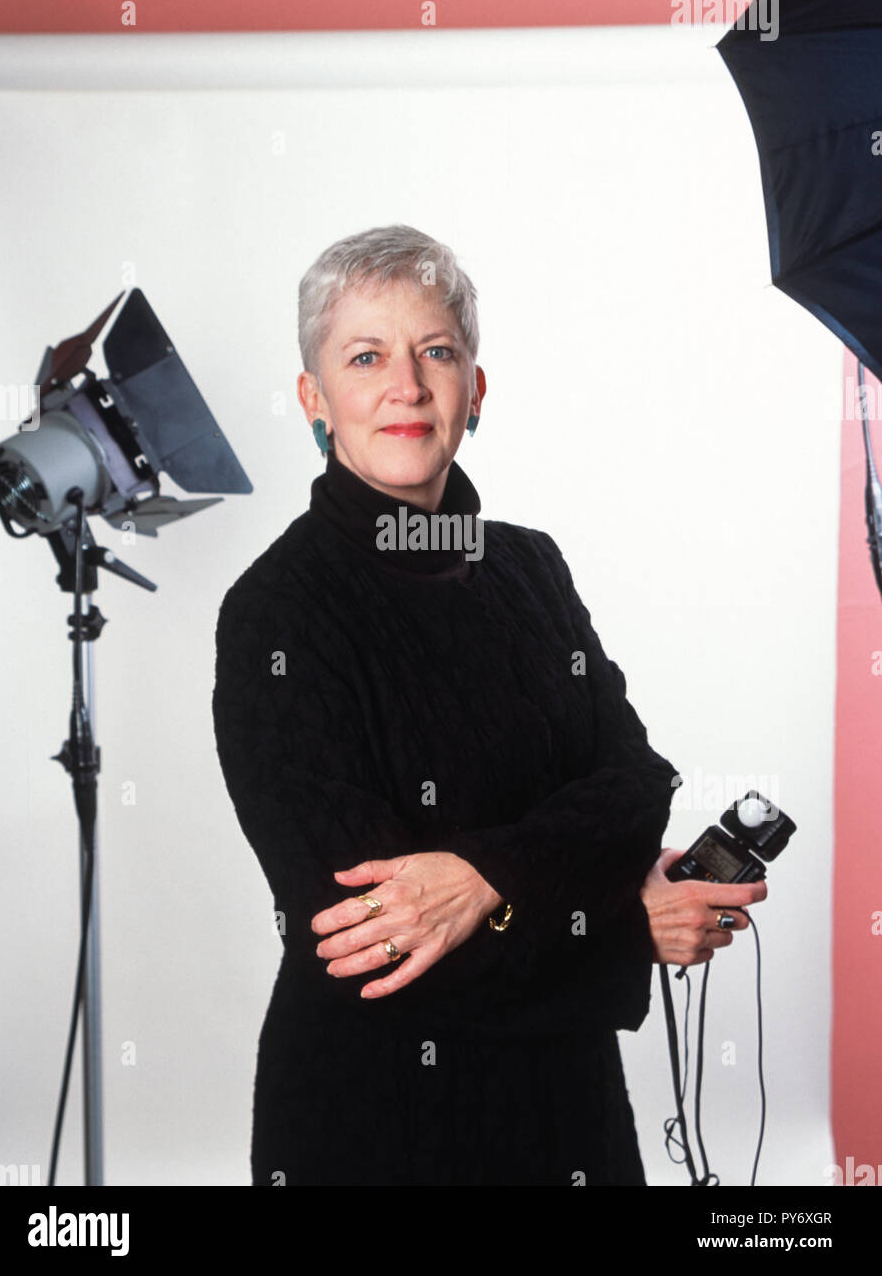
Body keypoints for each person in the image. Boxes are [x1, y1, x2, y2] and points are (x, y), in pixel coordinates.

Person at [211, 224, 767, 1186]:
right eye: (366, 357)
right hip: (375, 1121)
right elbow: (377, 934)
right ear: (314, 399)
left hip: (568, 1116)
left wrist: (477, 877)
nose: (407, 386)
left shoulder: (529, 564)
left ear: (476, 386)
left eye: (437, 351)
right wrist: (619, 926)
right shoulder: (277, 608)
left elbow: (635, 783)